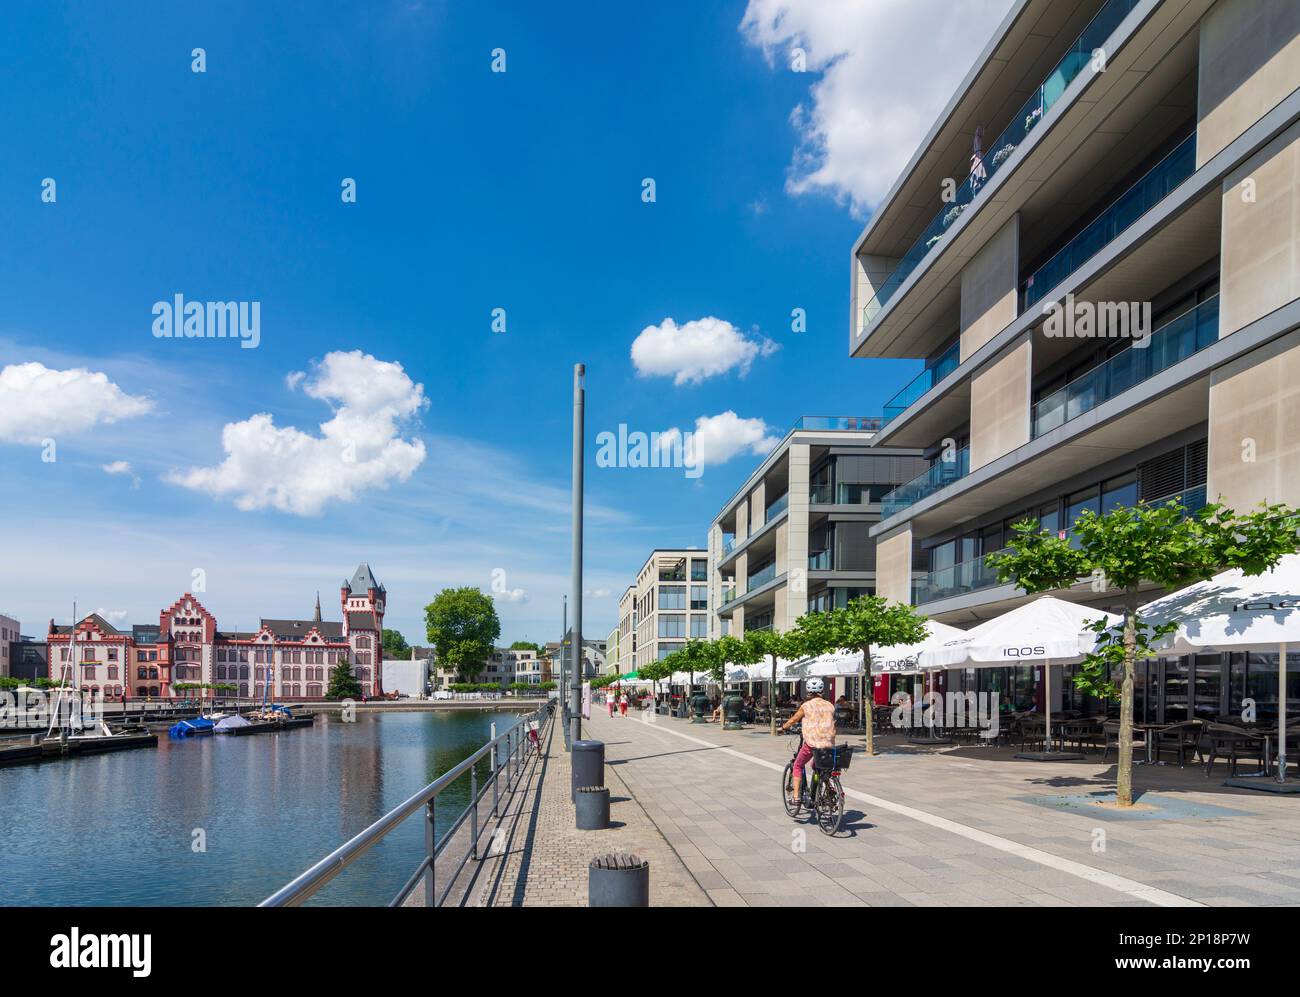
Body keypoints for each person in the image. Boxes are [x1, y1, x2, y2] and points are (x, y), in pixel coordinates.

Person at [779, 677, 836, 806]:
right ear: (822, 690)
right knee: (817, 766)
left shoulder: (806, 705)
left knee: (798, 765)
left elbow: (794, 720)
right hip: (828, 743)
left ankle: (796, 797)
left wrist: (783, 727)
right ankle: (829, 787)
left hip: (812, 743)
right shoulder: (830, 705)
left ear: (808, 691)